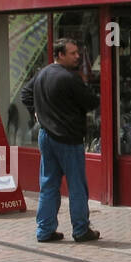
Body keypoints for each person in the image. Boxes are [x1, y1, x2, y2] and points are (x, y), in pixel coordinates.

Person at [18, 37, 101, 244]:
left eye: (77, 52)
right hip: (68, 138)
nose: (77, 56)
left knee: (48, 184)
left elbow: (25, 95)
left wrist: (37, 113)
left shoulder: (42, 74)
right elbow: (91, 102)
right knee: (77, 186)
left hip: (46, 135)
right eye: (72, 53)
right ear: (60, 55)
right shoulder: (69, 78)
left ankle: (44, 230)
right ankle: (81, 229)